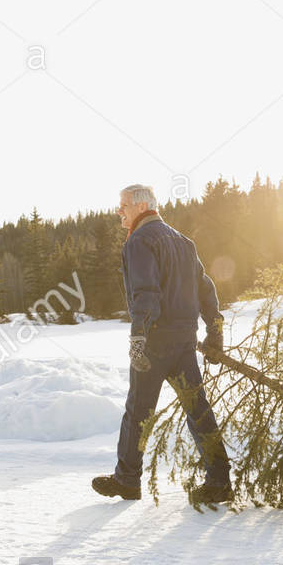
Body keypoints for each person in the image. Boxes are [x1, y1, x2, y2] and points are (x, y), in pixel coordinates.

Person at [92, 184, 232, 504]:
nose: (119, 211)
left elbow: (146, 292)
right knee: (198, 410)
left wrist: (138, 337)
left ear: (141, 206)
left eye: (123, 205)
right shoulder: (184, 242)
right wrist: (215, 330)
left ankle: (127, 480)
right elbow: (205, 289)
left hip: (155, 343)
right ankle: (220, 480)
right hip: (184, 342)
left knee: (138, 411)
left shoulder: (140, 241)